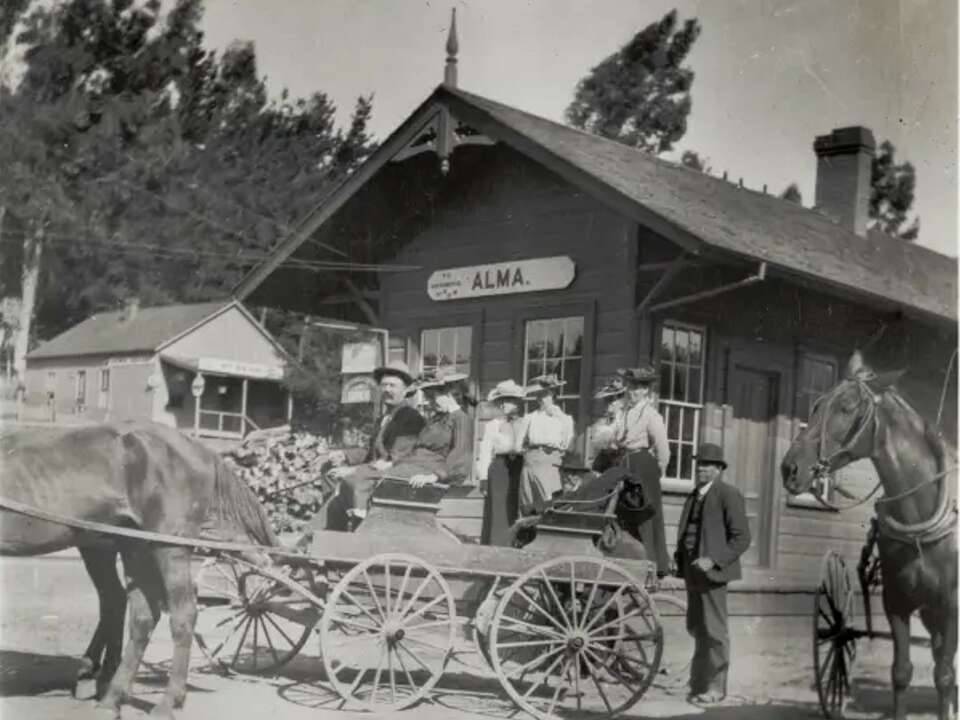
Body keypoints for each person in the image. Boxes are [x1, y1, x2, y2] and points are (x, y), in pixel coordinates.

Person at [304, 360, 425, 535]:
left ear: (406, 390)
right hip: (375, 471)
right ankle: (324, 532)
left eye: (393, 385)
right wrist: (344, 455)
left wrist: (352, 470)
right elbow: (371, 453)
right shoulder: (384, 418)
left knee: (351, 478)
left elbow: (392, 460)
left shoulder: (410, 418)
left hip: (394, 476)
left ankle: (349, 529)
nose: (387, 390)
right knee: (329, 469)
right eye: (384, 385)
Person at [339, 369, 474, 524]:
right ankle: (360, 520)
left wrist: (433, 477)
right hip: (409, 465)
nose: (430, 403)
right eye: (428, 399)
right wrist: (392, 462)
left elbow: (460, 456)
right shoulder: (436, 419)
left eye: (433, 398)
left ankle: (362, 523)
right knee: (357, 477)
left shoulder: (461, 419)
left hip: (428, 468)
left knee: (366, 477)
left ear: (449, 394)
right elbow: (412, 449)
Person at [674, 443, 751, 705]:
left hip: (713, 574)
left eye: (708, 465)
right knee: (697, 627)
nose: (702, 468)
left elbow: (742, 538)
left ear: (718, 469)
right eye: (699, 464)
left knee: (715, 631)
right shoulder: (695, 495)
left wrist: (714, 560)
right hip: (691, 572)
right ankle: (698, 684)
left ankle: (717, 688)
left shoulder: (728, 495)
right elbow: (687, 532)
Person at [606, 365, 672, 577]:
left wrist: (654, 472)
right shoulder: (623, 412)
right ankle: (627, 559)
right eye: (630, 387)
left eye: (636, 388)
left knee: (643, 514)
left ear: (646, 391)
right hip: (623, 462)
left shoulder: (651, 415)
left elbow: (663, 449)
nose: (631, 392)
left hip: (643, 465)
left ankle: (652, 564)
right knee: (621, 511)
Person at [476, 380, 526, 546]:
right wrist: (483, 478)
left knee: (518, 508)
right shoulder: (493, 425)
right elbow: (484, 452)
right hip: (500, 469)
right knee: (499, 510)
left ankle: (515, 545)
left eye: (509, 400)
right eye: (502, 401)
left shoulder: (526, 423)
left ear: (518, 402)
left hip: (520, 468)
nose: (504, 404)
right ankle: (496, 547)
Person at [518, 374, 575, 515]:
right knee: (528, 503)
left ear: (553, 395)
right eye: (538, 395)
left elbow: (566, 443)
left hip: (549, 461)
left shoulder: (564, 419)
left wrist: (559, 416)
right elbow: (520, 443)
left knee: (548, 502)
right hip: (530, 461)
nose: (541, 398)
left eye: (545, 394)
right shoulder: (530, 417)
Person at [589, 378, 627, 472]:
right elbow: (598, 444)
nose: (608, 404)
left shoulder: (625, 420)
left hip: (620, 460)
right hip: (604, 461)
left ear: (621, 402)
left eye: (611, 400)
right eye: (606, 400)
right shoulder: (604, 421)